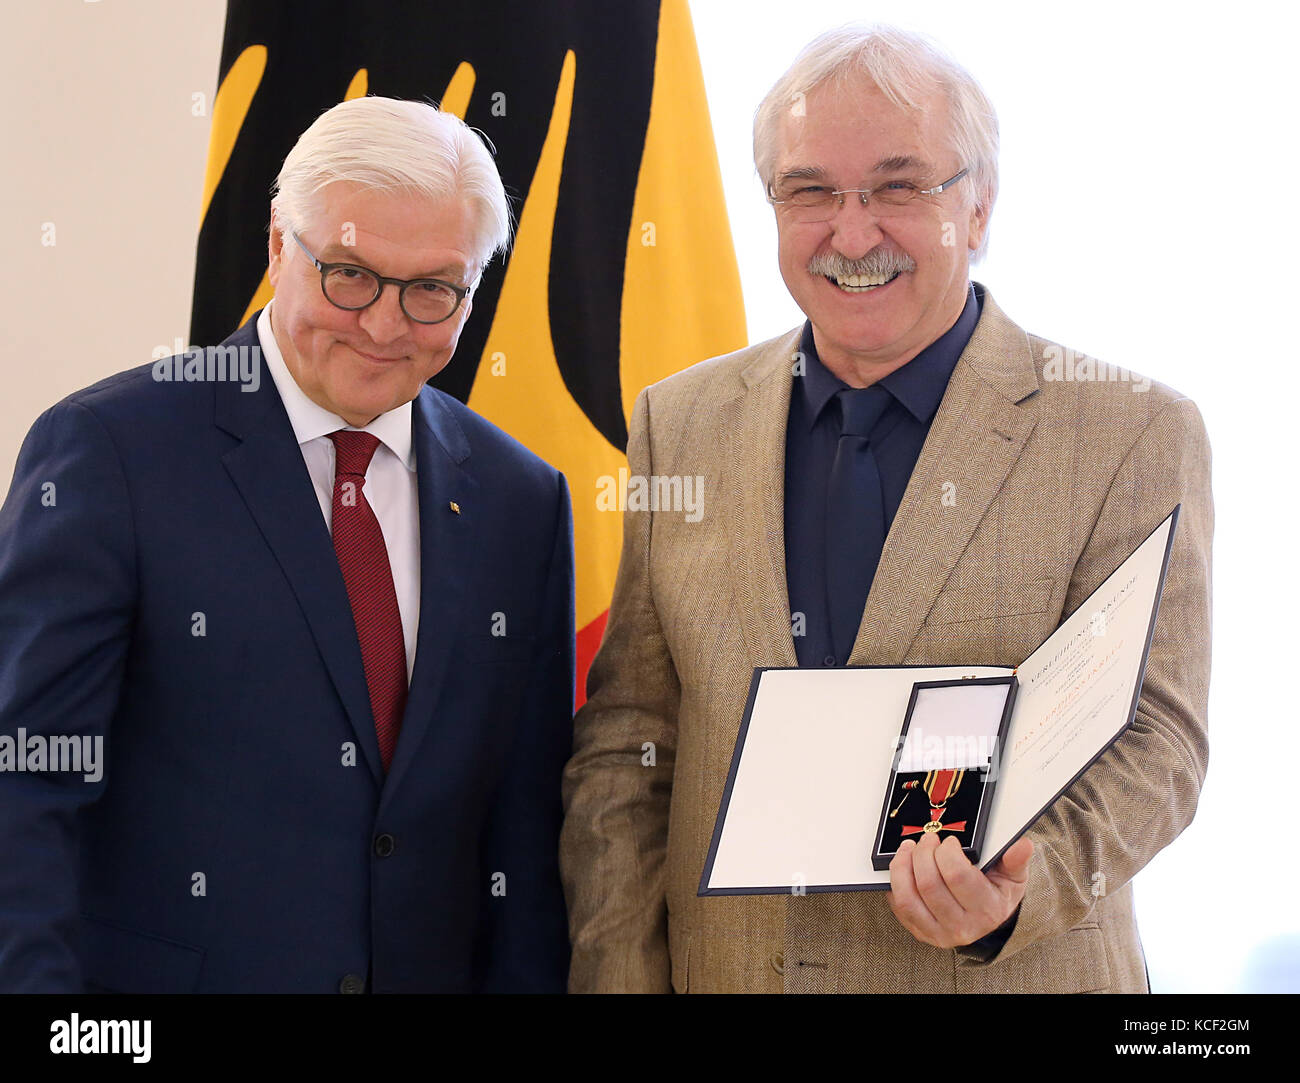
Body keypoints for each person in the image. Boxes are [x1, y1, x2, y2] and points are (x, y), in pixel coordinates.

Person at [560, 25, 1211, 993]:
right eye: (811, 190)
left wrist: (1024, 889)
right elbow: (627, 747)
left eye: (900, 187)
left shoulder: (1129, 432)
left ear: (980, 206)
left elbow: (1160, 744)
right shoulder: (678, 422)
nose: (851, 232)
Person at [0, 97, 574, 993]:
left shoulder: (520, 498)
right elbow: (25, 792)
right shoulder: (110, 452)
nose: (384, 326)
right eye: (348, 274)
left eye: (432, 290)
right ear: (278, 244)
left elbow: (524, 837)